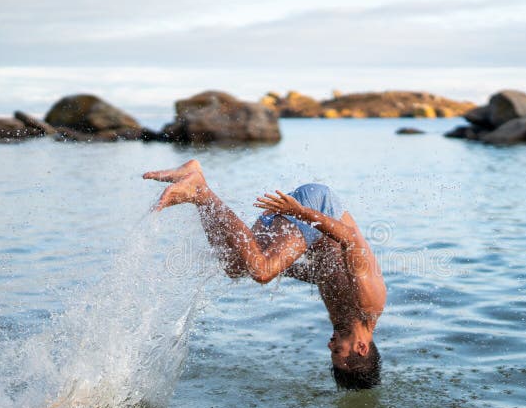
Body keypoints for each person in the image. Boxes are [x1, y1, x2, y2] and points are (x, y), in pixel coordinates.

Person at [143, 160, 387, 390]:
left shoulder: (343, 323)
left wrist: (283, 267)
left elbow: (326, 274)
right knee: (262, 270)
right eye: (337, 351)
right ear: (362, 348)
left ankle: (195, 183)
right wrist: (300, 212)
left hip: (310, 225)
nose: (330, 344)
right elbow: (349, 238)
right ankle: (199, 190)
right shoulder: (369, 302)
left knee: (236, 266)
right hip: (319, 207)